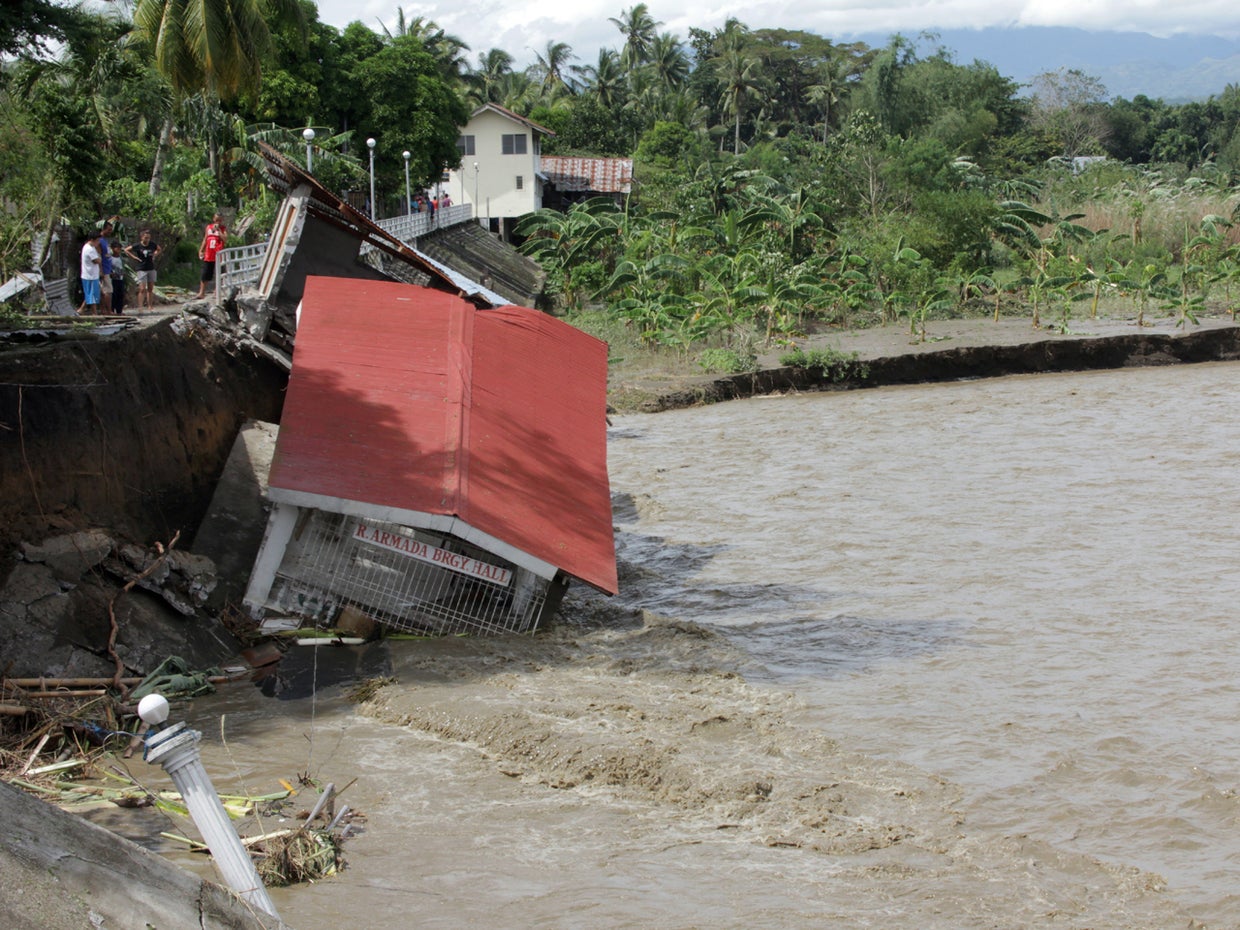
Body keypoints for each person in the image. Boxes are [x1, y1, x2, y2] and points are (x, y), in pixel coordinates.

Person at [124, 228, 161, 313]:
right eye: (145, 238)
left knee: (150, 288)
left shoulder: (152, 244)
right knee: (142, 288)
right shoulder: (138, 245)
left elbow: (159, 249)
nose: (147, 239)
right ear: (142, 238)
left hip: (151, 268)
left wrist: (155, 255)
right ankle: (140, 307)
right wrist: (134, 257)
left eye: (148, 238)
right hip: (141, 268)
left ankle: (150, 306)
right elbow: (126, 250)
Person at [196, 212, 226, 299]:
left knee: (219, 274)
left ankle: (216, 292)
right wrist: (201, 250)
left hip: (218, 255)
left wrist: (219, 231)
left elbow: (225, 239)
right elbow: (205, 239)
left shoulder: (223, 229)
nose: (218, 222)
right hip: (209, 254)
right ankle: (201, 292)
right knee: (205, 273)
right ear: (213, 219)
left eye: (220, 220)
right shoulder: (208, 227)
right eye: (217, 220)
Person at [79, 231, 102, 315]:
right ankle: (94, 313)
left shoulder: (89, 247)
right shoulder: (89, 249)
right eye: (97, 241)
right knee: (92, 295)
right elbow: (97, 260)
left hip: (91, 275)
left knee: (90, 294)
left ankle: (82, 309)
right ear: (92, 240)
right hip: (90, 276)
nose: (98, 243)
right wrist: (100, 256)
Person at [98, 221, 114, 313]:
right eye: (108, 230)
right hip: (103, 269)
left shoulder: (105, 241)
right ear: (103, 229)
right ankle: (108, 310)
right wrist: (101, 271)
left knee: (105, 291)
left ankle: (105, 310)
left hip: (108, 269)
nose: (110, 232)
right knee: (107, 291)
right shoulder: (99, 241)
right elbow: (99, 256)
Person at [109, 242, 127, 315]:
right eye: (117, 248)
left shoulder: (121, 258)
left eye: (120, 249)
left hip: (120, 278)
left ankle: (119, 310)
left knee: (120, 294)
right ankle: (112, 309)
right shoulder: (110, 258)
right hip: (113, 279)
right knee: (114, 295)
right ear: (113, 249)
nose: (118, 250)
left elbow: (123, 267)